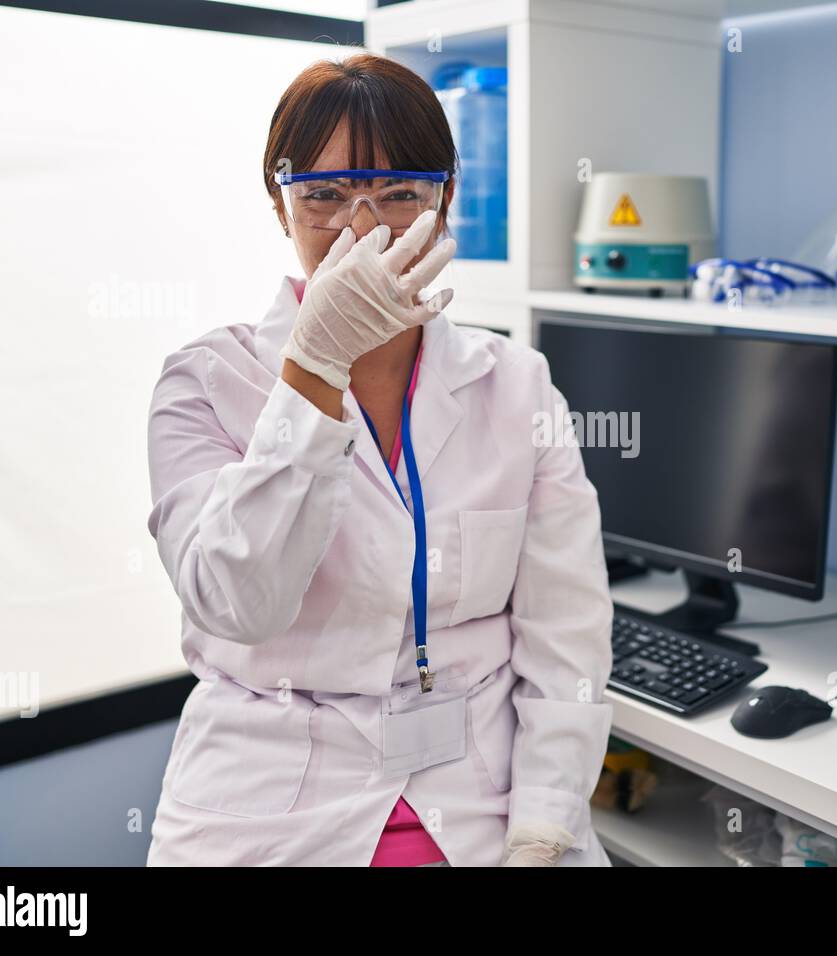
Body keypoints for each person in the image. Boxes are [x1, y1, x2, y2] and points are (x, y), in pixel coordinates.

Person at [143, 54, 613, 866]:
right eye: (323, 196)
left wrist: (542, 829)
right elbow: (237, 603)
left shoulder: (517, 386)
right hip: (273, 806)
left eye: (400, 193)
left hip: (481, 798)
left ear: (445, 201)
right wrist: (312, 371)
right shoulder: (204, 383)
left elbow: (566, 641)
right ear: (279, 205)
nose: (363, 229)